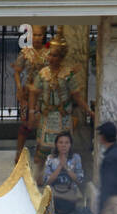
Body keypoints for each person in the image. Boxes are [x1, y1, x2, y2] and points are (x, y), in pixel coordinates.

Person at [29, 35, 90, 177]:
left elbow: (77, 96)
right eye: (50, 55)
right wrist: (32, 112)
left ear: (61, 57)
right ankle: (40, 175)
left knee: (62, 148)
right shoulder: (43, 73)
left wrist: (88, 110)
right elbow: (34, 93)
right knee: (43, 147)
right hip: (46, 117)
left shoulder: (68, 75)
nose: (51, 58)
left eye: (55, 55)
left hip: (62, 118)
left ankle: (63, 175)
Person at [13, 25, 48, 160]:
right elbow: (17, 71)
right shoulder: (25, 52)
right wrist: (18, 87)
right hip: (27, 93)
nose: (37, 38)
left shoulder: (48, 53)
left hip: (43, 93)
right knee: (25, 125)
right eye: (35, 35)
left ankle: (39, 153)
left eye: (39, 35)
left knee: (42, 124)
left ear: (43, 36)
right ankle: (18, 152)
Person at [42, 131, 84, 214]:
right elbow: (47, 181)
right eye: (60, 142)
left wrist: (66, 167)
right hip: (54, 196)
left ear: (70, 145)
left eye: (67, 143)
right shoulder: (51, 159)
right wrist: (60, 166)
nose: (63, 145)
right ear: (56, 144)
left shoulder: (76, 158)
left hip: (70, 195)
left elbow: (80, 180)